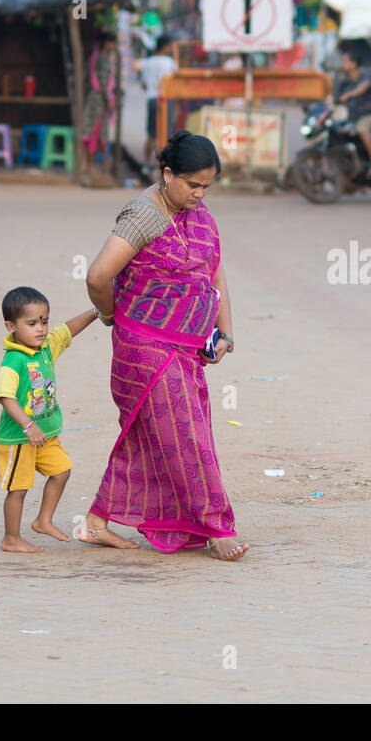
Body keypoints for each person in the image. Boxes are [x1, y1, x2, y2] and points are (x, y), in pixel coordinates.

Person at [79, 130, 249, 561]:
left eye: (207, 186)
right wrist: (113, 314)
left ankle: (97, 521)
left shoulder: (199, 213)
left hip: (187, 347)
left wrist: (224, 332)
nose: (200, 194)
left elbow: (214, 272)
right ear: (166, 173)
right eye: (192, 184)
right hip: (146, 349)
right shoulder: (144, 215)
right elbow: (98, 277)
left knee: (151, 438)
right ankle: (215, 526)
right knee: (186, 436)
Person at [0, 287, 99, 554]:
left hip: (45, 435)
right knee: (18, 490)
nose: (40, 329)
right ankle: (11, 538)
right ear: (11, 326)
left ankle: (43, 520)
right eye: (31, 323)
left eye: (44, 321)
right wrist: (28, 425)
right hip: (20, 437)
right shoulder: (13, 360)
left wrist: (98, 311)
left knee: (62, 471)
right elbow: (6, 397)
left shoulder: (46, 348)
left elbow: (68, 330)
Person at [334, 49, 371, 178]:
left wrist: (350, 94)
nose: (342, 63)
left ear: (353, 64)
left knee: (362, 129)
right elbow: (335, 100)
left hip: (367, 116)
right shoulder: (343, 82)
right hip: (351, 118)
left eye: (344, 61)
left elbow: (363, 88)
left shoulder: (366, 75)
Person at [137, 39, 177, 156]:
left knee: (151, 134)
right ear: (164, 47)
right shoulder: (170, 62)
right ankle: (161, 167)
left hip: (152, 99)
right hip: (165, 99)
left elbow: (143, 85)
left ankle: (146, 163)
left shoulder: (147, 62)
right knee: (165, 135)